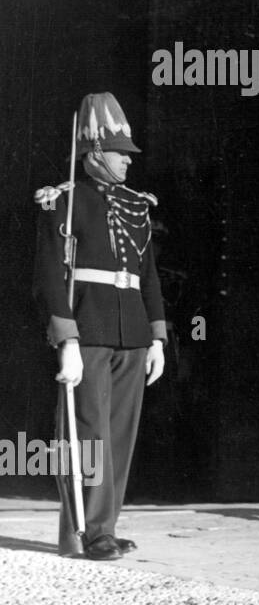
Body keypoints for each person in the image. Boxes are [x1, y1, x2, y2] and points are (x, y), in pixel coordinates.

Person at [33, 92, 167, 561]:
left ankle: (104, 525)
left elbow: (147, 275)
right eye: (120, 154)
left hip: (131, 333)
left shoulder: (137, 205)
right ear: (94, 154)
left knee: (118, 436)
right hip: (87, 327)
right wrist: (65, 337)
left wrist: (158, 336)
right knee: (87, 433)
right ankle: (88, 532)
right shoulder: (63, 203)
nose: (128, 162)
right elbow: (49, 276)